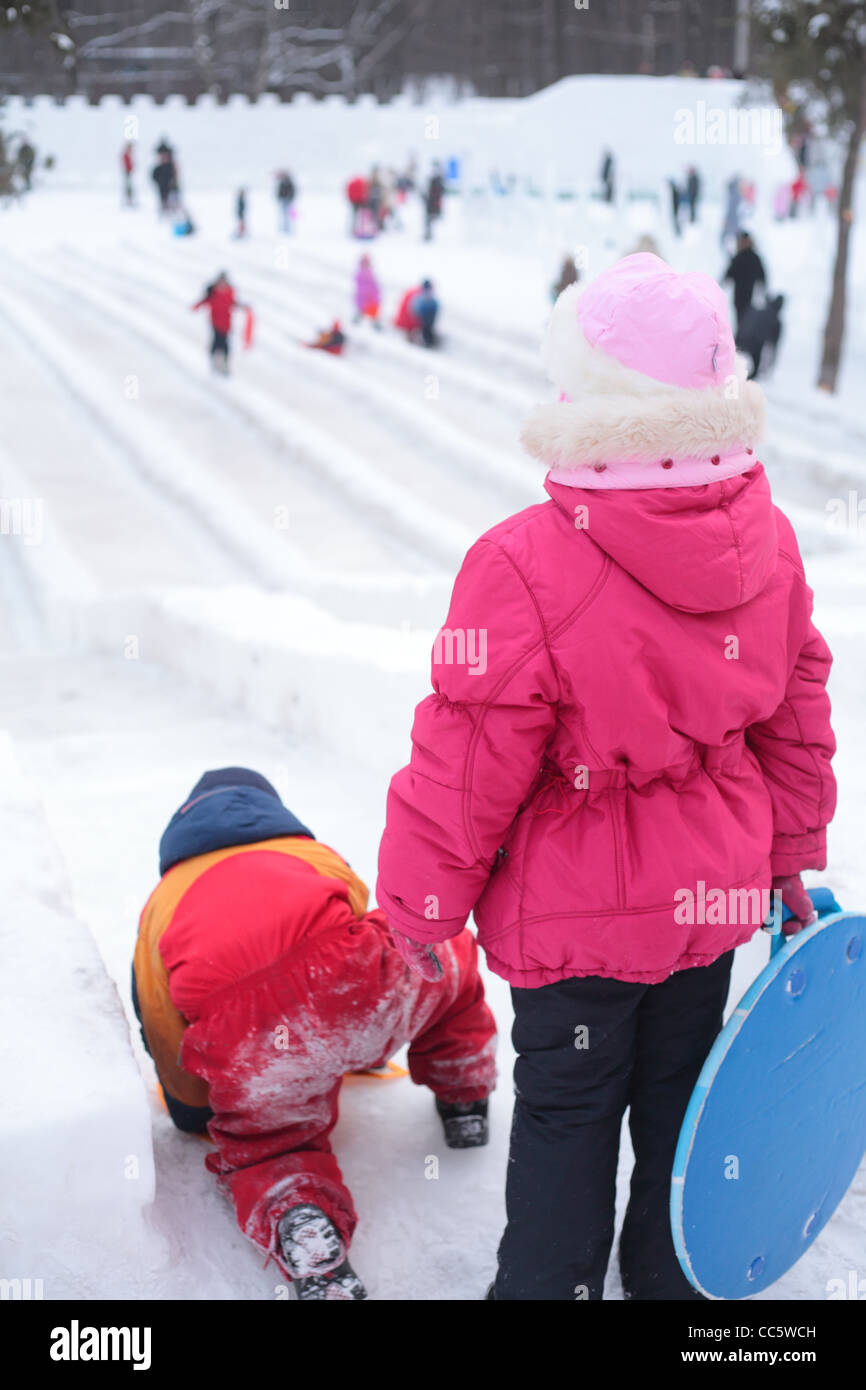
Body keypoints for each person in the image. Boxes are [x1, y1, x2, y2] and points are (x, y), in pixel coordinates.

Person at [376, 254, 836, 1301]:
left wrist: (418, 904)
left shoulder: (524, 560)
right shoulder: (763, 539)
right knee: (683, 1105)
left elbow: (469, 753)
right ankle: (668, 1284)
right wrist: (786, 854)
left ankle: (550, 1286)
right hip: (707, 901)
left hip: (573, 931)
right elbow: (794, 711)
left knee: (566, 1118)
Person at [132, 768, 496, 1300]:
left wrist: (194, 1108)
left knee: (269, 1145)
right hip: (351, 985)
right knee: (448, 964)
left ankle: (300, 1219)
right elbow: (367, 923)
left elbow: (161, 1020)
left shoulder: (162, 902)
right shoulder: (313, 853)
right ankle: (465, 1097)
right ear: (271, 810)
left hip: (250, 1040)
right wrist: (360, 1039)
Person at [191, 272, 249, 375]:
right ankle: (214, 362)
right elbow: (203, 301)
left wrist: (244, 307)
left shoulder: (230, 293)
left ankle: (224, 364)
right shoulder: (212, 293)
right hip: (215, 323)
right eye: (220, 282)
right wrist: (196, 306)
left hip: (226, 324)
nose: (222, 285)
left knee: (225, 344)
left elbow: (234, 303)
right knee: (216, 342)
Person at [723, 231, 767, 335]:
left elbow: (728, 276)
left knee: (741, 320)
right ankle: (744, 339)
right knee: (747, 320)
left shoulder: (738, 258)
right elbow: (762, 277)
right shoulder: (754, 258)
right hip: (749, 296)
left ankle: (741, 340)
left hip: (739, 296)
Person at [736, 293, 784, 380]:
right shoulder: (776, 321)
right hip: (754, 347)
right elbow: (773, 346)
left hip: (739, 342)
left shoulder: (754, 311)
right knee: (752, 373)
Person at [395, 279, 438, 347]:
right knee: (428, 315)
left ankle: (425, 337)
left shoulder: (413, 291)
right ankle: (427, 339)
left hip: (400, 319)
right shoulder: (422, 295)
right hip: (407, 323)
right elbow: (414, 311)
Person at [353, 255, 382, 327]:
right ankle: (355, 324)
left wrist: (376, 296)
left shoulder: (370, 273)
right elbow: (361, 288)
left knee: (373, 314)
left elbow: (375, 286)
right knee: (362, 312)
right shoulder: (360, 274)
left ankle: (376, 325)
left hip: (372, 299)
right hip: (364, 299)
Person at [423, 164, 445, 241]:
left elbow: (438, 193)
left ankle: (429, 234)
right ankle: (428, 234)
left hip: (433, 203)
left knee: (430, 220)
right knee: (428, 220)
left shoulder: (437, 180)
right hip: (431, 203)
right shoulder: (435, 179)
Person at [720, 174, 742, 250]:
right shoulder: (735, 194)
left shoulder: (734, 194)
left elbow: (732, 209)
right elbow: (731, 209)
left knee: (729, 234)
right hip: (732, 219)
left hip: (732, 219)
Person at [152, 150, 175, 216]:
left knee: (169, 198)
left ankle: (168, 210)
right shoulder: (158, 167)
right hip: (161, 186)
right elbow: (154, 176)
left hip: (169, 186)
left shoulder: (169, 166)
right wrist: (158, 181)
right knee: (162, 198)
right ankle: (164, 210)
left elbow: (172, 176)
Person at [121, 141, 135, 207]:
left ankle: (130, 199)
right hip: (127, 172)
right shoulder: (126, 155)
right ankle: (128, 200)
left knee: (129, 186)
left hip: (129, 172)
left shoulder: (129, 154)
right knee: (128, 186)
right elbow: (126, 164)